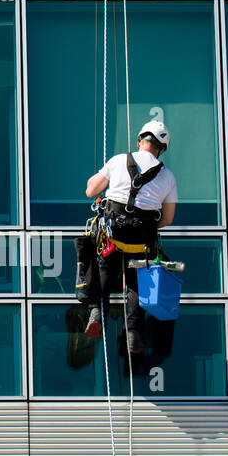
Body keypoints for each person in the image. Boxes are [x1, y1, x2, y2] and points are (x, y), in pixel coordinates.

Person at [79, 119, 178, 356]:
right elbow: (168, 219)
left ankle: (96, 312)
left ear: (139, 141)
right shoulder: (168, 176)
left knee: (103, 267)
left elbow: (91, 191)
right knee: (134, 281)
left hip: (113, 234)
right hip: (141, 241)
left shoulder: (117, 161)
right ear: (162, 149)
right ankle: (133, 332)